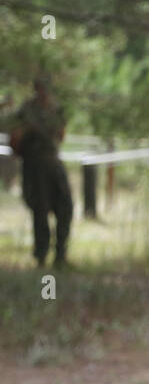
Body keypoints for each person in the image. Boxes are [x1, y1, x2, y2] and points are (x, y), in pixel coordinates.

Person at [9, 74, 74, 267]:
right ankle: (41, 255)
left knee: (65, 207)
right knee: (40, 210)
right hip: (34, 165)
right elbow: (14, 138)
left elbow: (61, 135)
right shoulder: (26, 111)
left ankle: (60, 254)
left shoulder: (56, 109)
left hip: (53, 162)